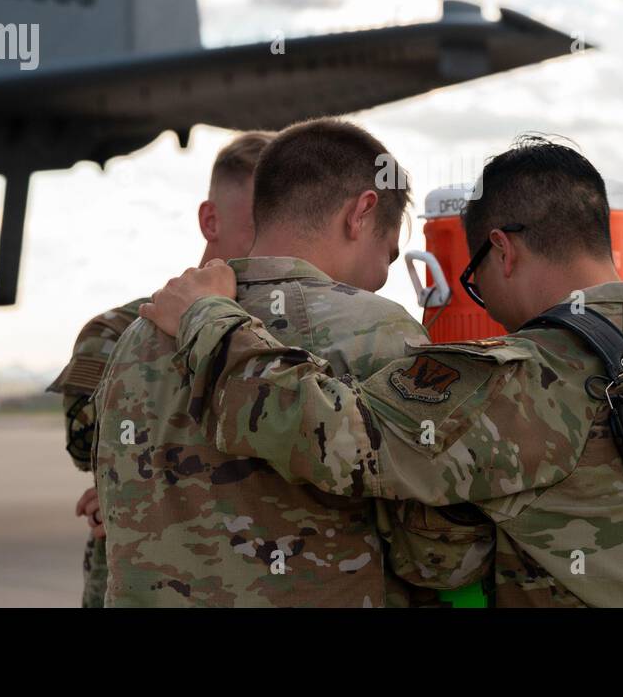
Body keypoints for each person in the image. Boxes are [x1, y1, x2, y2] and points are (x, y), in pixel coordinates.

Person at [143, 136, 623, 607]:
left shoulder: (519, 381)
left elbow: (331, 435)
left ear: (503, 251)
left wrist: (210, 320)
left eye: (473, 276)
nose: (481, 300)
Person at [92, 117, 493, 607]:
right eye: (386, 257)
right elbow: (437, 559)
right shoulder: (375, 330)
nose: (381, 280)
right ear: (361, 213)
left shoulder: (141, 334)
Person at [47, 130, 271, 608]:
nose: (273, 241)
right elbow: (87, 447)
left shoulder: (296, 331)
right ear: (210, 219)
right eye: (258, 223)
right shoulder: (118, 331)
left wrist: (143, 488)